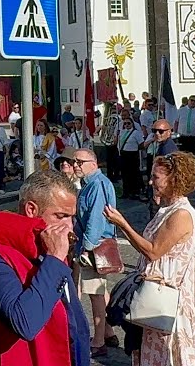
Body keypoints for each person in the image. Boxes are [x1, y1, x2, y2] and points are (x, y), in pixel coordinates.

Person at [0, 171, 90, 366]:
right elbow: (25, 322)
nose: (69, 227)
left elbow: (72, 321)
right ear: (31, 210)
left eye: (72, 218)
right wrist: (55, 259)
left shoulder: (49, 247)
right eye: (61, 216)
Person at [105, 152, 195, 366]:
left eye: (157, 177)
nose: (151, 181)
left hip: (171, 298)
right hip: (155, 293)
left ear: (175, 179)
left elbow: (154, 251)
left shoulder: (181, 214)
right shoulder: (166, 209)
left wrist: (123, 224)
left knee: (171, 351)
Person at [73, 149, 118, 357]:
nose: (75, 165)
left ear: (93, 163)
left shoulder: (96, 185)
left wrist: (87, 248)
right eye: (75, 161)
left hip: (95, 246)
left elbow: (96, 219)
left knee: (95, 294)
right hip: (93, 244)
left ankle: (99, 340)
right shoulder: (91, 183)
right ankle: (108, 332)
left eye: (79, 162)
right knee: (100, 291)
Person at [118, 113, 146, 200]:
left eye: (128, 123)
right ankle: (126, 192)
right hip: (123, 154)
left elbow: (141, 144)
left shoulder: (136, 133)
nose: (126, 125)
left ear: (132, 124)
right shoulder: (122, 132)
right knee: (124, 174)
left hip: (132, 154)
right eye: (125, 123)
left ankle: (135, 192)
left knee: (133, 174)